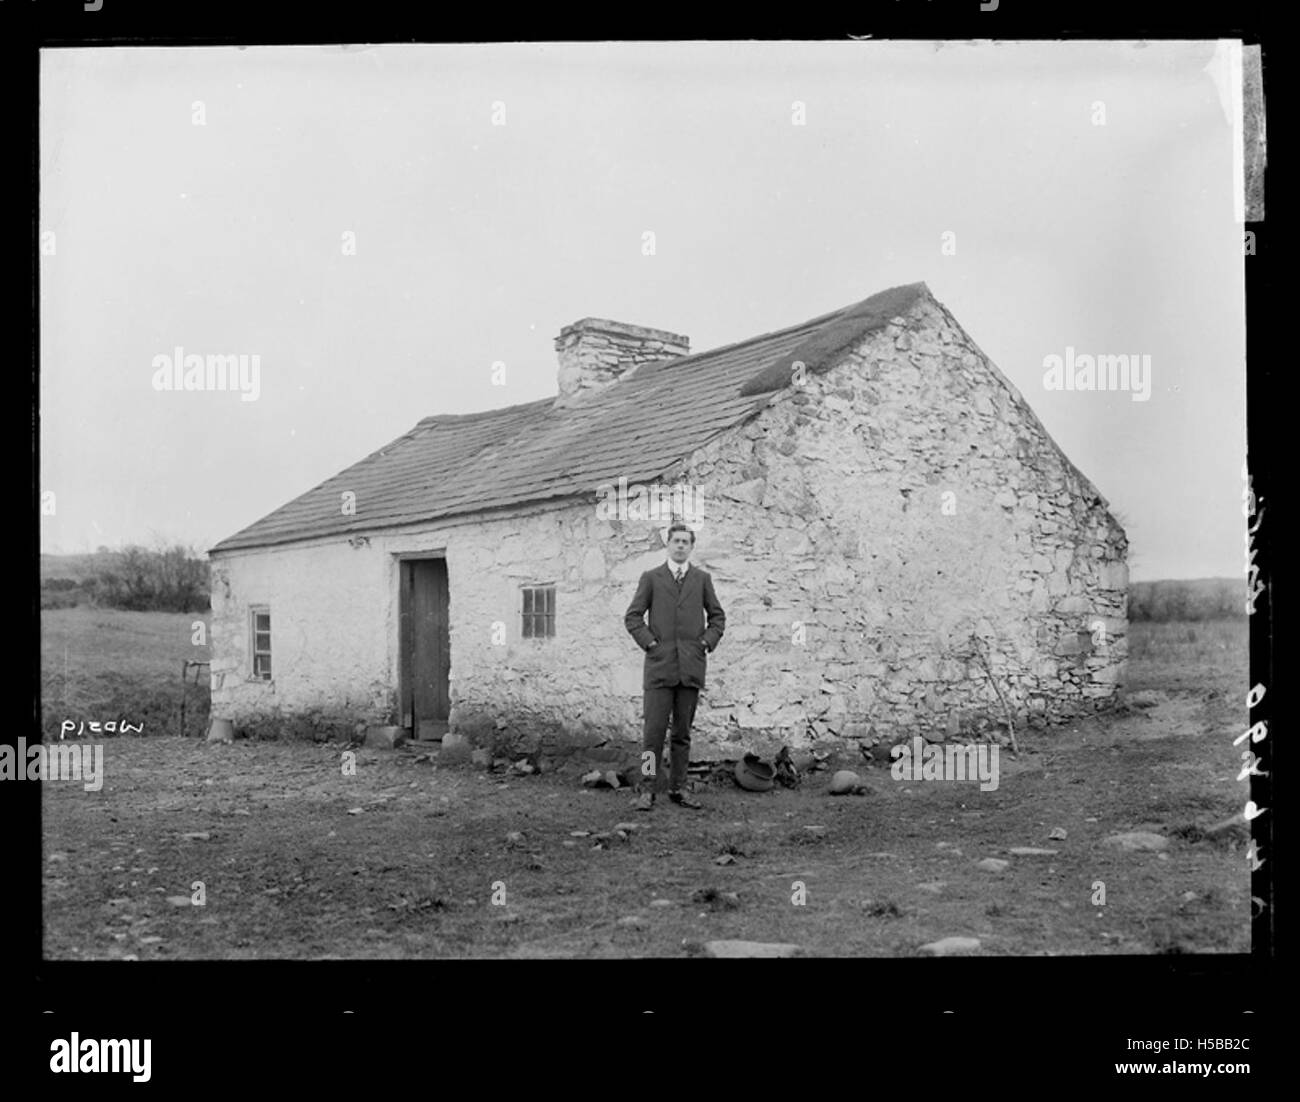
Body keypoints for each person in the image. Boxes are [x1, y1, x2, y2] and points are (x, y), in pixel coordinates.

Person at [623, 522, 726, 810]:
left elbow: (718, 617)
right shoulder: (651, 578)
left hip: (690, 668)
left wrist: (705, 643)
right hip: (659, 668)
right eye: (676, 541)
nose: (680, 546)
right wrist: (651, 644)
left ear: (691, 547)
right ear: (667, 545)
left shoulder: (702, 579)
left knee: (682, 734)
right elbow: (633, 617)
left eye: (686, 542)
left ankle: (679, 788)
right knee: (652, 734)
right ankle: (647, 788)